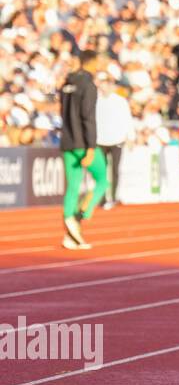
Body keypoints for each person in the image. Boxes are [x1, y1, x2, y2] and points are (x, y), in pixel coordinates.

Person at [60, 50, 109, 249]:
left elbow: (63, 112)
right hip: (83, 143)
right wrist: (90, 147)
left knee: (73, 186)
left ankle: (70, 229)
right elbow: (88, 117)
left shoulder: (66, 83)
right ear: (93, 62)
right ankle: (80, 216)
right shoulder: (88, 85)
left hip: (67, 141)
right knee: (103, 180)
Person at [95, 77, 133, 209]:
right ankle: (102, 197)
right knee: (101, 170)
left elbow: (127, 119)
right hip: (100, 140)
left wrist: (130, 136)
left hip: (117, 139)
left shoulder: (120, 101)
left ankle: (114, 196)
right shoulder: (96, 101)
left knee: (115, 169)